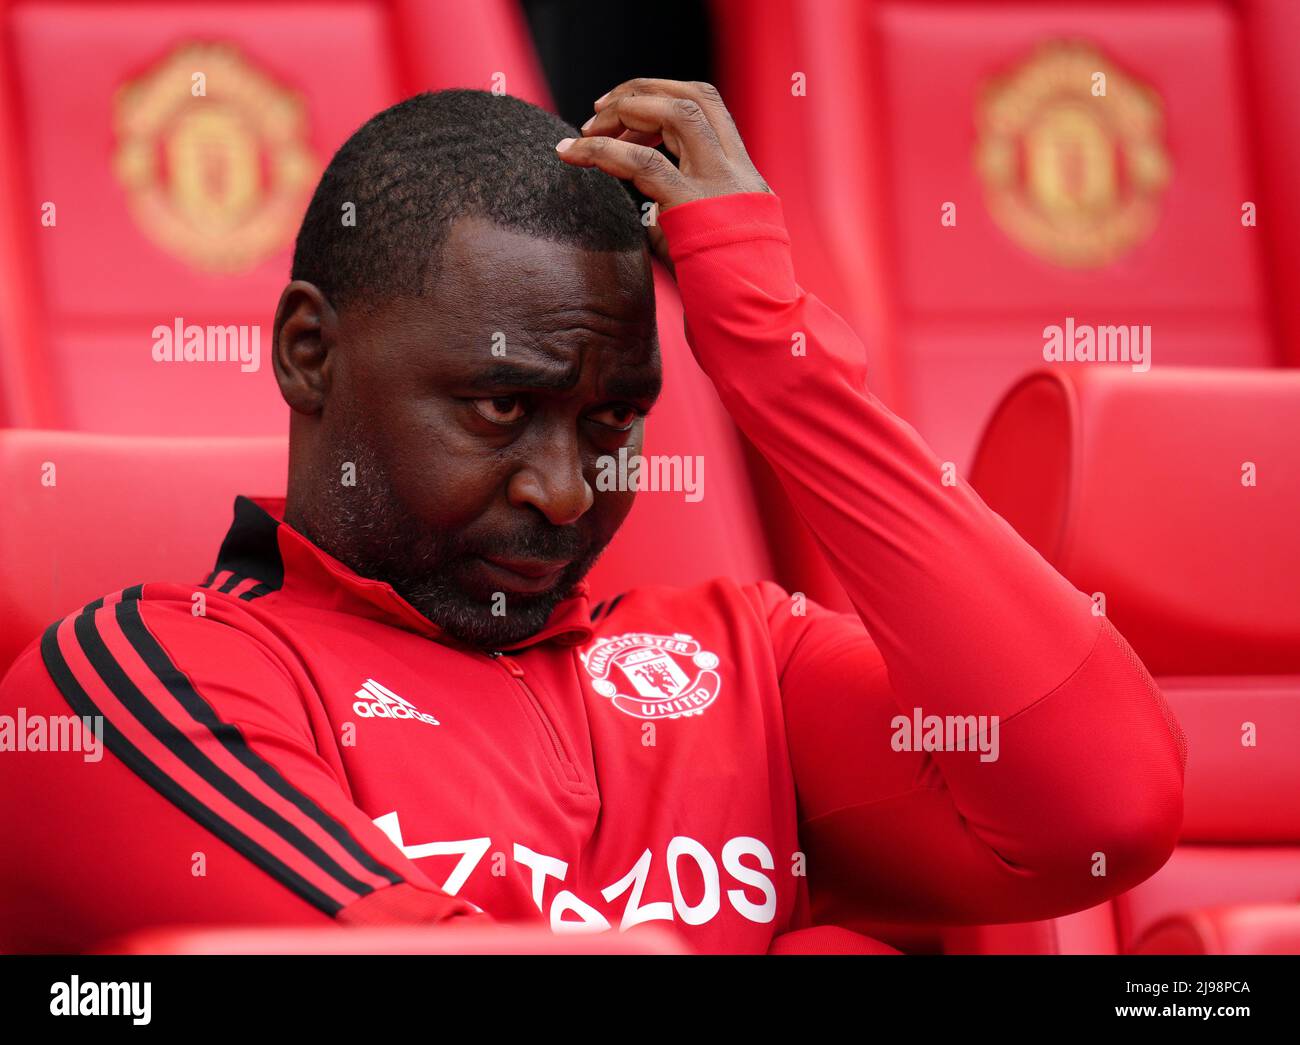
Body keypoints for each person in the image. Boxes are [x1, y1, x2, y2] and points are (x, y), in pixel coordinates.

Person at [0, 81, 1185, 954]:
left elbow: (1103, 811)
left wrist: (780, 360)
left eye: (615, 422)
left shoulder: (744, 662)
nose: (564, 491)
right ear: (310, 352)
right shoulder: (129, 681)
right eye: (501, 405)